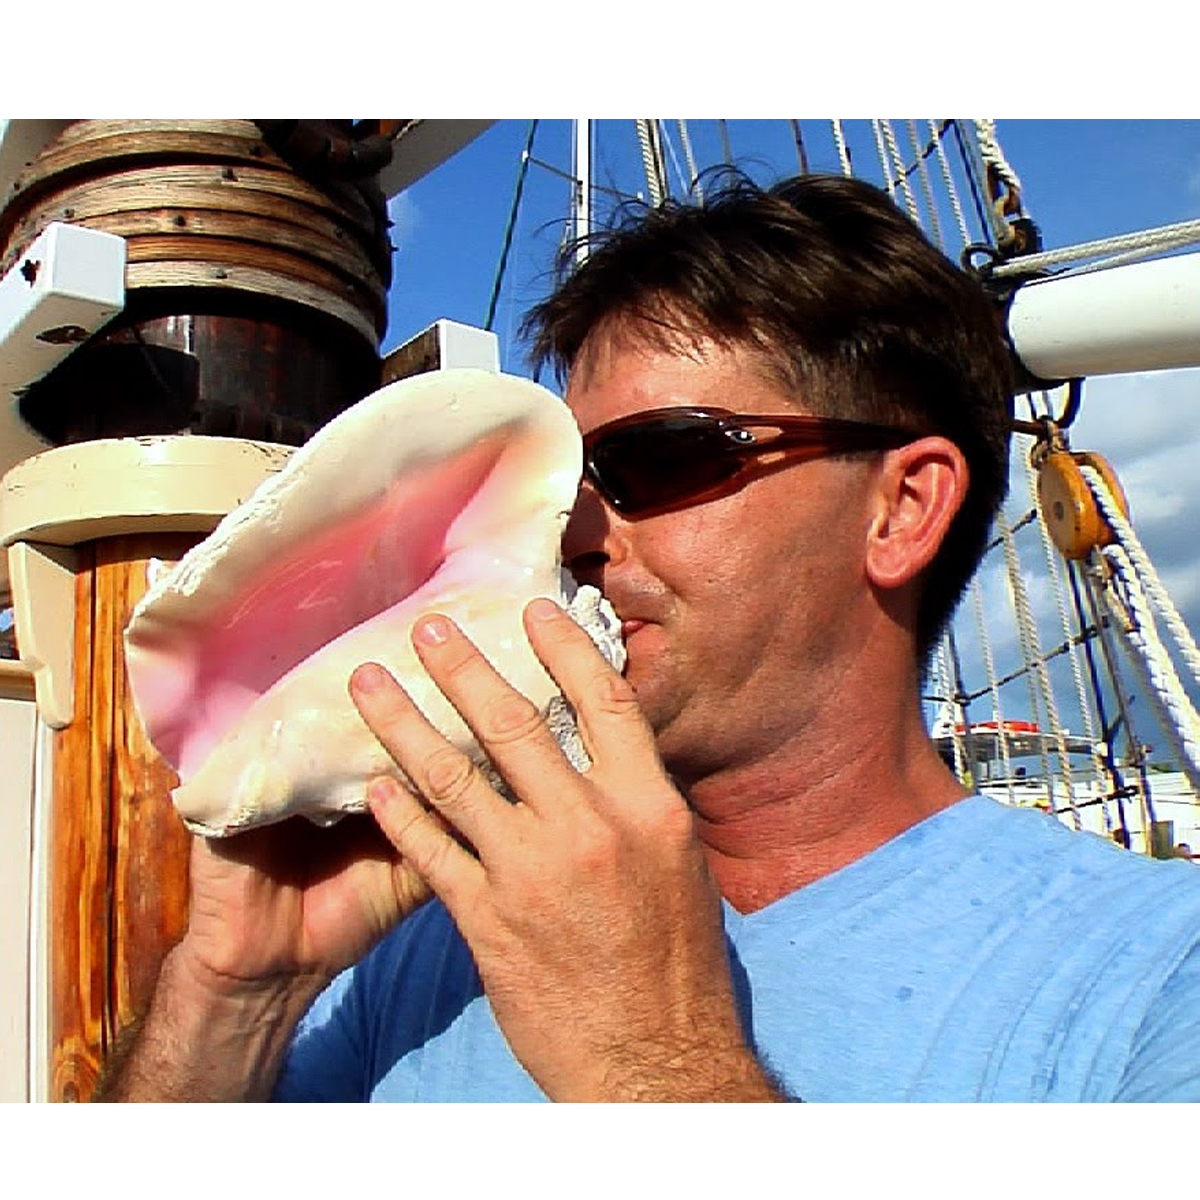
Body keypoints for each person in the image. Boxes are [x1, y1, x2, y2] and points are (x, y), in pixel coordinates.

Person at [96, 173, 1200, 1103]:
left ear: (901, 509)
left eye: (663, 456)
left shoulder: (1157, 976)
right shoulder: (428, 929)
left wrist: (647, 1055)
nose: (576, 532)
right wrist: (238, 995)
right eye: (568, 483)